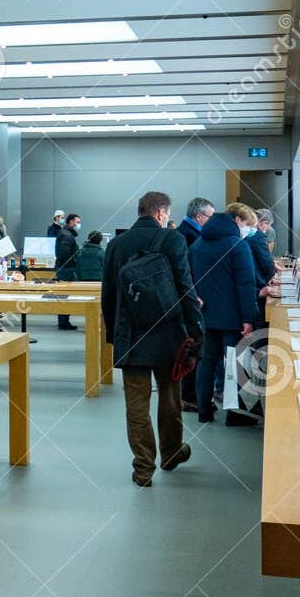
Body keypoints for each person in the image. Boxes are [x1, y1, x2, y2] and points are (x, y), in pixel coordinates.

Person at [101, 191, 203, 487]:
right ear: (160, 213)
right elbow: (185, 288)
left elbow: (108, 295)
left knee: (136, 403)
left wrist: (114, 335)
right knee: (170, 397)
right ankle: (171, 454)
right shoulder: (173, 240)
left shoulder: (117, 245)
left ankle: (143, 468)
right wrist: (196, 330)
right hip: (168, 334)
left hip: (130, 334)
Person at [190, 202, 261, 427]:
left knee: (206, 362)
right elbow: (246, 284)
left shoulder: (198, 244)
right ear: (237, 221)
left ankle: (203, 409)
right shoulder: (237, 245)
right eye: (246, 225)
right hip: (233, 319)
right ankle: (233, 413)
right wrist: (248, 318)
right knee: (233, 365)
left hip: (205, 315)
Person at [53, 212, 81, 329]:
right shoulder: (67, 235)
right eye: (78, 222)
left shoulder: (65, 233)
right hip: (66, 270)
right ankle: (63, 322)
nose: (79, 225)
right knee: (65, 296)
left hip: (64, 268)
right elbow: (64, 254)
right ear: (71, 222)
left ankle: (64, 321)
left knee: (64, 296)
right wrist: (72, 263)